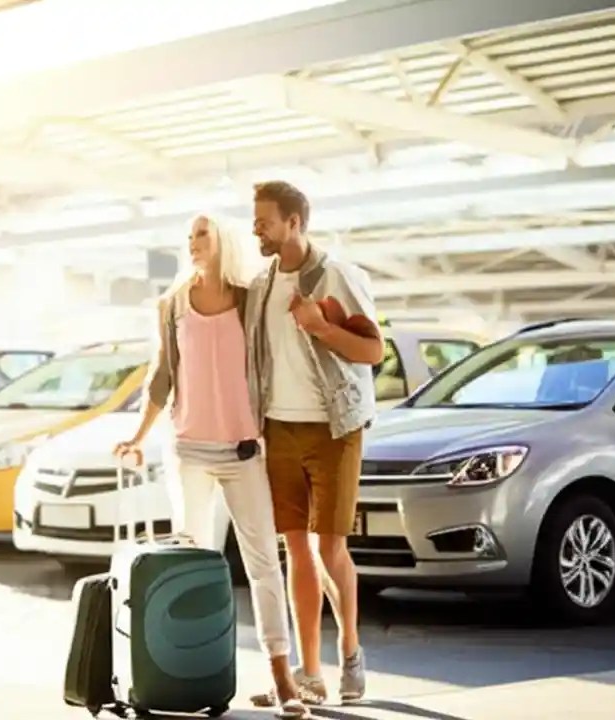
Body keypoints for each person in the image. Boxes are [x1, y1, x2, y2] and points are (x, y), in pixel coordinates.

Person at [114, 215, 308, 720]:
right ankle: (191, 672)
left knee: (264, 562)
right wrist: (137, 436)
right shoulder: (172, 303)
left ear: (222, 238)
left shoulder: (250, 299)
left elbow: (275, 360)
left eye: (202, 233)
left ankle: (283, 678)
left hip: (245, 450)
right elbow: (161, 376)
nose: (193, 243)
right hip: (189, 451)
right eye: (189, 236)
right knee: (193, 565)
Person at [245, 181, 384, 706]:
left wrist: (321, 327)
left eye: (264, 221)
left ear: (294, 222)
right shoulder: (259, 286)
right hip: (278, 428)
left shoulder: (336, 276)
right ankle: (309, 673)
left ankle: (350, 653)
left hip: (334, 428)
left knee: (330, 546)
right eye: (255, 221)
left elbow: (373, 352)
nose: (256, 229)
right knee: (295, 549)